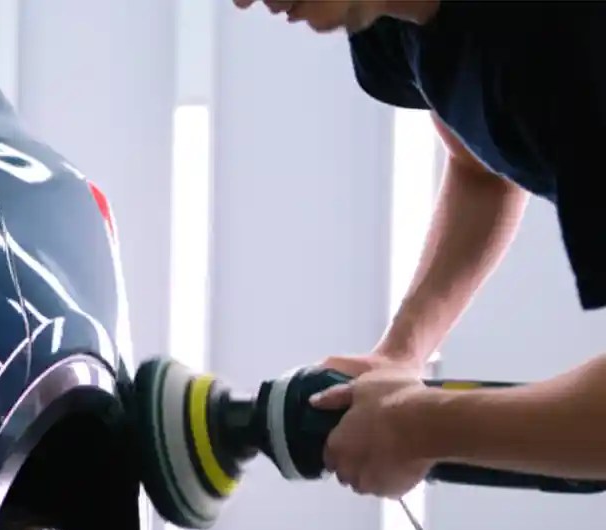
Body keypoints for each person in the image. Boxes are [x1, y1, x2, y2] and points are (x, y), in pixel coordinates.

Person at [229, 0, 606, 498]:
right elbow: (481, 167)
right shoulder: (391, 23)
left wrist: (420, 427)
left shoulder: (579, 43)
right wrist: (402, 354)